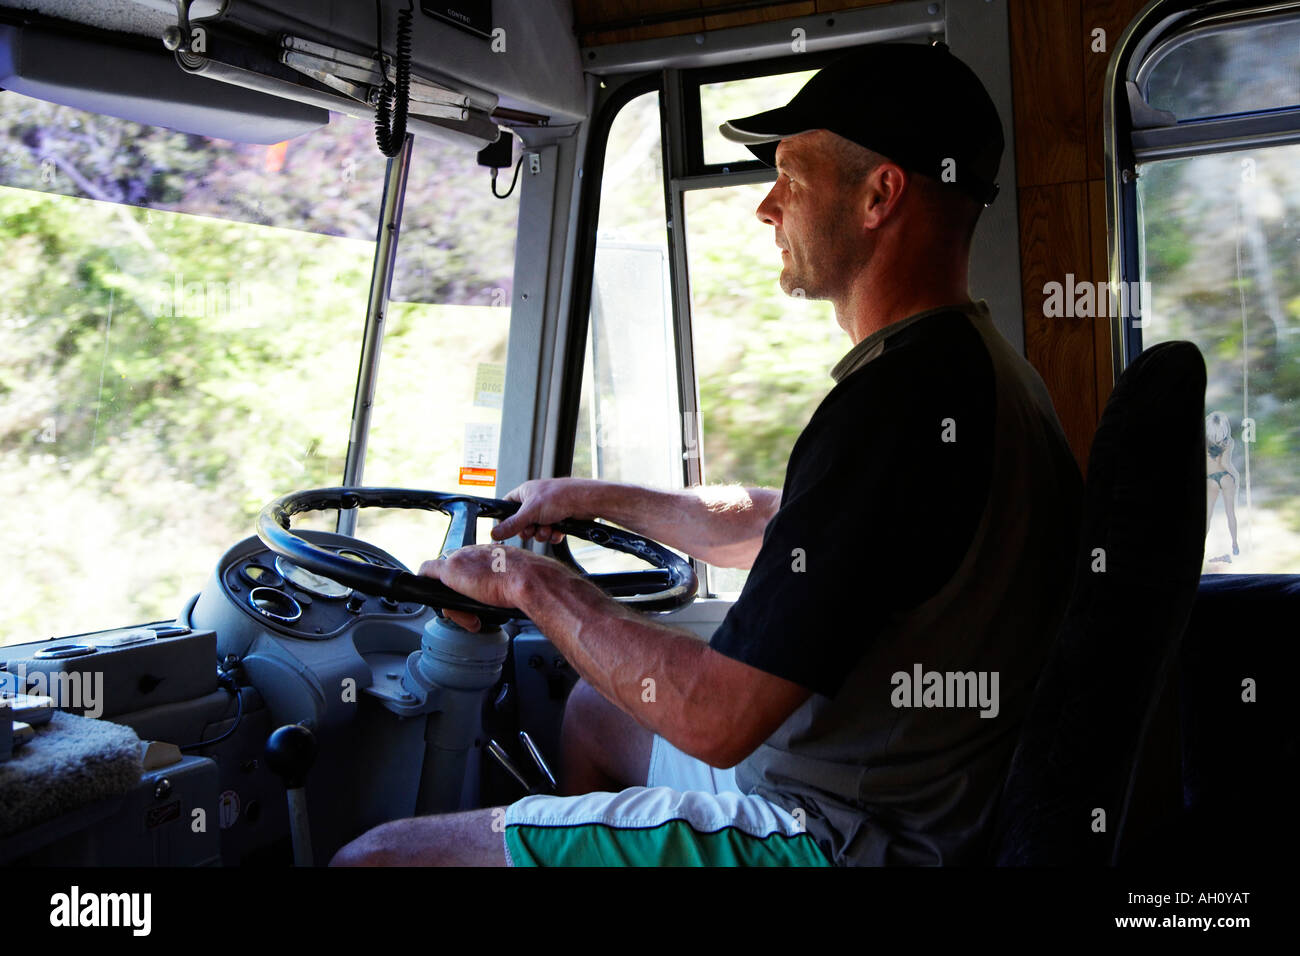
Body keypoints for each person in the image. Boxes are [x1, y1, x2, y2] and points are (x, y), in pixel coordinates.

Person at [331, 41, 1083, 867]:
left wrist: (526, 579)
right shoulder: (973, 369)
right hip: (886, 793)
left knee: (378, 859)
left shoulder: (898, 407)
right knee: (591, 712)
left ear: (880, 195)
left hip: (843, 837)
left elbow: (715, 720)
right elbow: (788, 529)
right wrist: (596, 497)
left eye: (792, 178)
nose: (768, 207)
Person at [1205, 410, 1240, 561]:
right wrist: (1235, 475)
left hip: (1210, 478)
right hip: (1225, 478)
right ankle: (1234, 544)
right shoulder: (1228, 442)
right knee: (1230, 512)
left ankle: (1202, 545)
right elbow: (1225, 464)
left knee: (1207, 515)